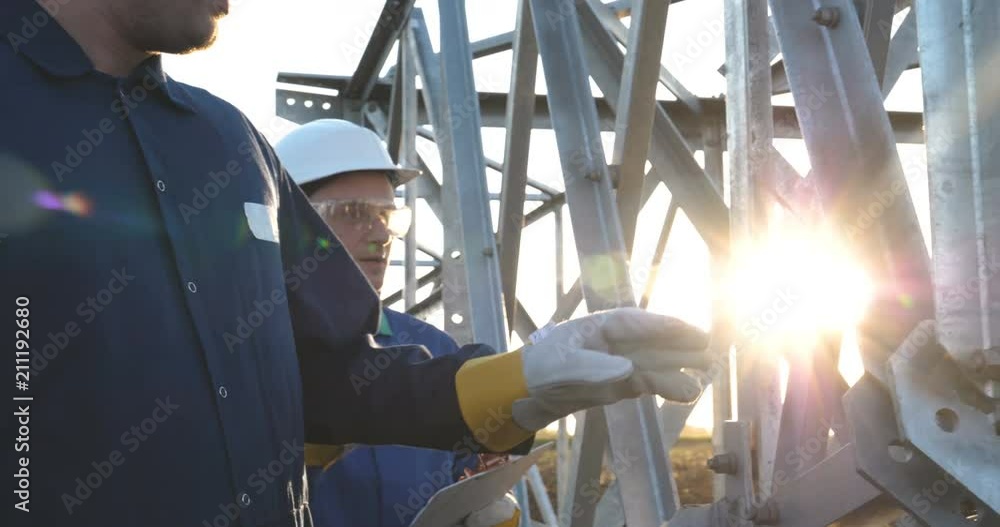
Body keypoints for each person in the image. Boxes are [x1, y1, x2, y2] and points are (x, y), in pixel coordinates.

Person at [0, 1, 710, 526]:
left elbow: (333, 371)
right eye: (352, 213)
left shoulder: (230, 145)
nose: (376, 233)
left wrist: (525, 380)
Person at [274, 119, 504, 526]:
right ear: (287, 224)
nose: (381, 234)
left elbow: (465, 474)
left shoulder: (433, 347)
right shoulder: (252, 353)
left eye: (389, 215)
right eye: (353, 213)